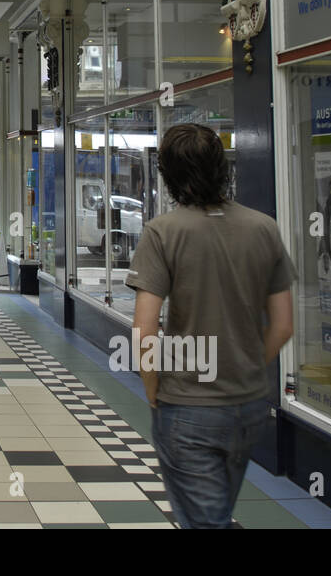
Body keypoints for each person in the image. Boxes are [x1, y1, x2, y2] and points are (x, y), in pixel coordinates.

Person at [125, 124, 294, 529]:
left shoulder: (163, 232)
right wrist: (250, 365)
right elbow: (283, 324)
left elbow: (145, 330)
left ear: (167, 175)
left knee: (206, 522)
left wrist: (154, 389)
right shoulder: (263, 228)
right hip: (250, 405)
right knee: (215, 513)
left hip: (187, 405)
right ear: (222, 168)